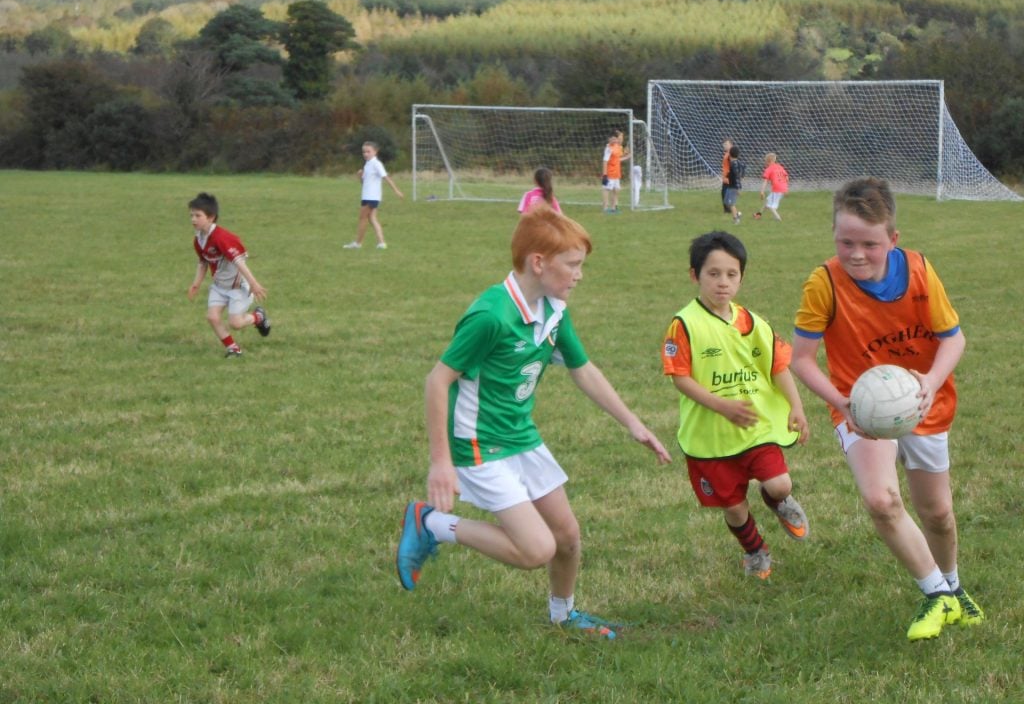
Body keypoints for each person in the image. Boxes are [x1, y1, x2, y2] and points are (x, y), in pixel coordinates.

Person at [396, 206, 672, 639]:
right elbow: (438, 380)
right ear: (538, 262)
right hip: (478, 445)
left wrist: (633, 424)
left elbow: (583, 369)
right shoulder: (492, 316)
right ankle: (430, 524)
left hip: (521, 437)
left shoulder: (553, 309)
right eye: (574, 264)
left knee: (567, 537)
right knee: (536, 549)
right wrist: (440, 462)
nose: (580, 275)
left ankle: (564, 616)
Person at [789, 177, 985, 642]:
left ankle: (954, 587)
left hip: (921, 404)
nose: (856, 254)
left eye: (869, 244)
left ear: (893, 239)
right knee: (880, 500)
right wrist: (842, 403)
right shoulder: (824, 283)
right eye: (845, 242)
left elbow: (953, 338)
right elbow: (800, 359)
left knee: (937, 512)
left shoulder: (918, 270)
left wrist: (929, 384)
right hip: (858, 408)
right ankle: (936, 594)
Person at [661, 231, 810, 580]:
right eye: (713, 274)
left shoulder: (753, 323)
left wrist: (797, 407)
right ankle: (755, 550)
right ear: (694, 275)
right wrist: (721, 406)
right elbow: (680, 376)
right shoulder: (684, 324)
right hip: (709, 437)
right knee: (733, 506)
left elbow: (778, 365)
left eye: (732, 274)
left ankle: (779, 503)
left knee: (780, 484)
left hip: (754, 426)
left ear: (742, 276)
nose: (723, 283)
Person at [187, 192, 271, 357]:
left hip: (238, 287)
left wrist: (253, 283)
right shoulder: (199, 239)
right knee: (212, 317)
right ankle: (233, 348)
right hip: (219, 286)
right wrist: (196, 283)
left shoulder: (222, 238)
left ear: (211, 217)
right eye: (191, 215)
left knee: (236, 323)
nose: (193, 219)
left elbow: (239, 263)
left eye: (198, 215)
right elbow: (203, 262)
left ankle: (258, 317)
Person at [343, 141, 404, 250]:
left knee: (362, 218)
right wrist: (360, 176)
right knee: (371, 218)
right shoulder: (368, 164)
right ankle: (381, 243)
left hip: (372, 197)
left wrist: (396, 190)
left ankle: (358, 243)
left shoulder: (376, 164)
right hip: (366, 196)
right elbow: (364, 183)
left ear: (375, 152)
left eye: (368, 151)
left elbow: (386, 177)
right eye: (364, 152)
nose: (365, 154)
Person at [601, 130, 630, 213]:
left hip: (617, 173)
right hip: (610, 173)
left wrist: (627, 156)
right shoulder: (608, 148)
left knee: (616, 190)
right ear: (609, 139)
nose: (614, 140)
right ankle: (605, 208)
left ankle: (614, 208)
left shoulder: (618, 147)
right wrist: (604, 175)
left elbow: (617, 159)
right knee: (607, 189)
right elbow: (605, 161)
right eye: (612, 138)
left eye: (615, 138)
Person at [756, 152, 789, 221]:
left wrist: (762, 191)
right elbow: (787, 178)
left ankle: (778, 218)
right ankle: (759, 214)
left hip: (777, 189)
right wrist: (786, 188)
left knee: (771, 206)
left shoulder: (768, 169)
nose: (765, 163)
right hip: (783, 188)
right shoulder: (780, 166)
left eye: (765, 161)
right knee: (768, 201)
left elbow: (765, 181)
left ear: (768, 161)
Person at [725, 145, 744, 224]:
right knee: (726, 202)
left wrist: (738, 188)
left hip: (733, 187)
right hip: (730, 186)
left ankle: (736, 219)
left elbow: (736, 176)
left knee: (731, 204)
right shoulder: (737, 162)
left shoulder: (734, 164)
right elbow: (744, 167)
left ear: (729, 154)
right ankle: (737, 214)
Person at [719, 139, 733, 214]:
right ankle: (727, 209)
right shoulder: (727, 154)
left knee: (725, 193)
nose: (725, 146)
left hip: (728, 177)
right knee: (724, 193)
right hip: (725, 177)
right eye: (724, 144)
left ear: (731, 145)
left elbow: (732, 165)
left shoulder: (731, 154)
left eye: (727, 144)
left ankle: (728, 210)